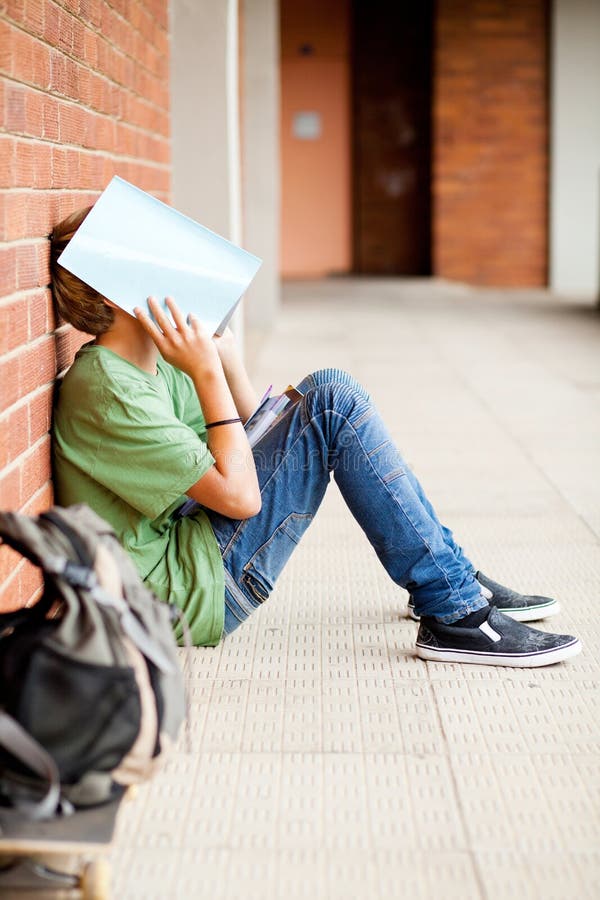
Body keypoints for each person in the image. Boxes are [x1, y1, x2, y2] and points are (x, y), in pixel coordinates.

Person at [50, 207, 581, 668]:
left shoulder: (149, 362)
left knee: (328, 401)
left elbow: (255, 438)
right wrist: (206, 375)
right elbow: (240, 496)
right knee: (332, 398)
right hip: (183, 594)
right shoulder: (109, 387)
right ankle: (456, 609)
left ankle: (451, 583)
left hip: (192, 544)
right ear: (121, 289)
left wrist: (227, 367)